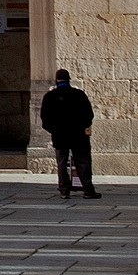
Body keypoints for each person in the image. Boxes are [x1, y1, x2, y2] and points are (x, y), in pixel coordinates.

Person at [40, 68, 99, 198]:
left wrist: (54, 130)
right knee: (82, 161)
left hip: (60, 135)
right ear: (69, 79)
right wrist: (82, 127)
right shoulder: (79, 94)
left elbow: (44, 118)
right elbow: (89, 114)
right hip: (78, 135)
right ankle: (88, 190)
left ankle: (64, 190)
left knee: (62, 162)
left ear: (56, 80)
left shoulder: (50, 96)